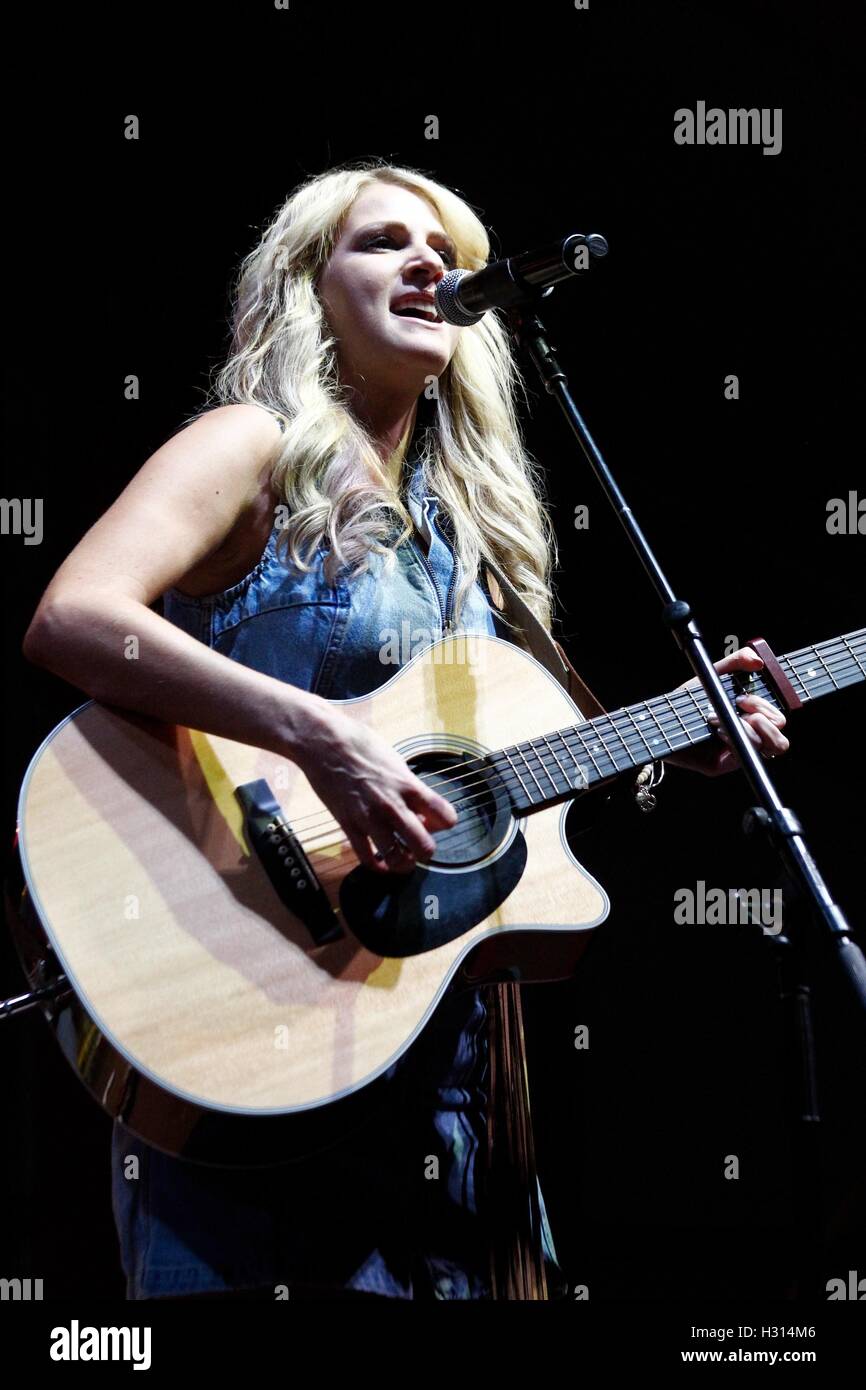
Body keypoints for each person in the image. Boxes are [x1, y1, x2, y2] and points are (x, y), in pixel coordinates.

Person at [22, 159, 790, 1300]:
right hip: (247, 1039)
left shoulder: (470, 539)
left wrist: (675, 733)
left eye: (443, 250)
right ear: (306, 287)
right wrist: (317, 738)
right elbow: (75, 618)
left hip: (445, 1095)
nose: (427, 262)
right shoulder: (251, 446)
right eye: (381, 242)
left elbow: (494, 762)